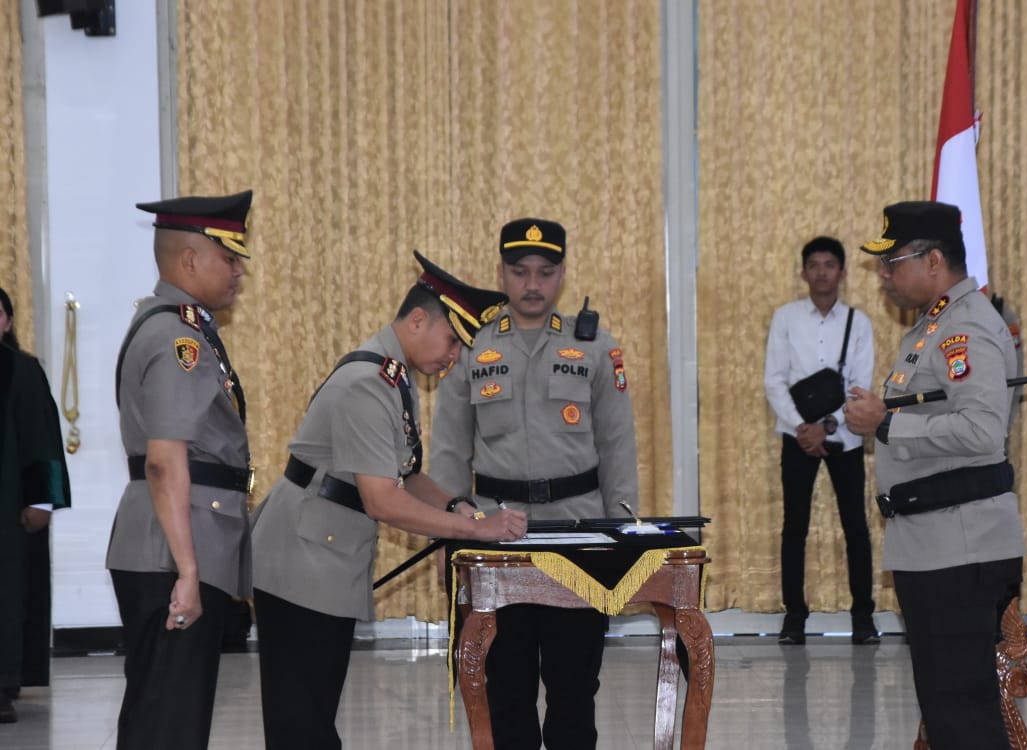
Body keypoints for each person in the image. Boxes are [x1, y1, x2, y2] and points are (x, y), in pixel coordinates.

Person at [250, 250, 527, 750]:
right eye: (452, 340)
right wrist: (474, 529)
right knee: (302, 725)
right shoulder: (368, 385)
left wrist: (456, 506)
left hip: (320, 556)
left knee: (310, 718)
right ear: (418, 319)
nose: (454, 357)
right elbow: (382, 500)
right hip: (301, 563)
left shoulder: (394, 379)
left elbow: (404, 475)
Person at [429, 217, 639, 749]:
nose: (532, 284)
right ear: (501, 272)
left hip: (578, 534)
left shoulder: (594, 347)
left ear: (562, 275)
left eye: (545, 272)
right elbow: (450, 449)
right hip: (496, 538)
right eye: (520, 271)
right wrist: (447, 533)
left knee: (574, 689)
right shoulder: (471, 345)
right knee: (505, 687)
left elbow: (618, 446)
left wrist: (622, 532)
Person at [844, 201, 1025, 749]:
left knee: (963, 716)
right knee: (946, 712)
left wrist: (886, 424)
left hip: (960, 547)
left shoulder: (965, 328)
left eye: (892, 261)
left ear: (934, 259)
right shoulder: (934, 326)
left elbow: (982, 431)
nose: (884, 275)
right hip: (934, 544)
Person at [105, 190, 256, 750]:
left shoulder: (181, 329)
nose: (238, 271)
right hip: (177, 548)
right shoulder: (177, 339)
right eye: (230, 257)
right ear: (190, 259)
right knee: (168, 721)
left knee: (162, 712)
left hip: (179, 540)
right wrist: (189, 573)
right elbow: (166, 463)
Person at [763, 236, 878, 646]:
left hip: (844, 437)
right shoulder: (786, 318)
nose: (822, 272)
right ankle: (794, 617)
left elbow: (860, 386)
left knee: (856, 528)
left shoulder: (858, 322)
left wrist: (826, 427)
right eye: (814, 265)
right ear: (803, 271)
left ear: (843, 272)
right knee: (794, 527)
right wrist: (802, 429)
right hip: (796, 437)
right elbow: (773, 380)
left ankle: (863, 617)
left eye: (830, 265)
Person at [0, 287, 71, 724]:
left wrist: (42, 500)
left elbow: (42, 439)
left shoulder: (21, 371)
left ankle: (3, 683)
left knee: (7, 592)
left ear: (6, 321)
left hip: (6, 510)